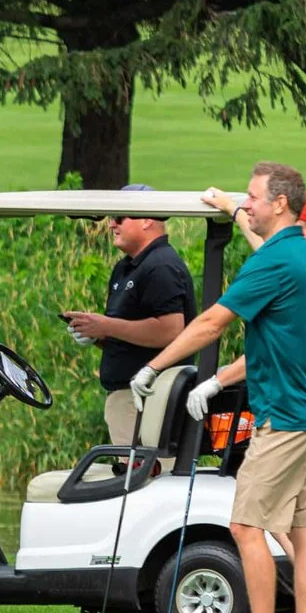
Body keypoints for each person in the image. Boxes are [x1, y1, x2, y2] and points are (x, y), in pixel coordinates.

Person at [132, 162, 306, 613]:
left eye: (252, 197)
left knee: (245, 525)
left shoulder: (274, 264)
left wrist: (154, 368)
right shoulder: (300, 255)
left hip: (284, 417)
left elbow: (210, 323)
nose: (247, 204)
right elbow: (261, 244)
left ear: (281, 204)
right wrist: (230, 208)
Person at [183, 190, 306, 613]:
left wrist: (215, 380)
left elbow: (270, 276)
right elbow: (270, 255)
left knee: (304, 519)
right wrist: (236, 212)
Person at [59, 185, 195, 446]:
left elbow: (171, 331)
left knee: (142, 481)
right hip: (129, 397)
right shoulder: (126, 268)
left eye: (119, 217)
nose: (111, 225)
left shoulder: (161, 265)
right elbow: (130, 334)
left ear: (146, 220)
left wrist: (106, 325)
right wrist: (96, 335)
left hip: (149, 398)